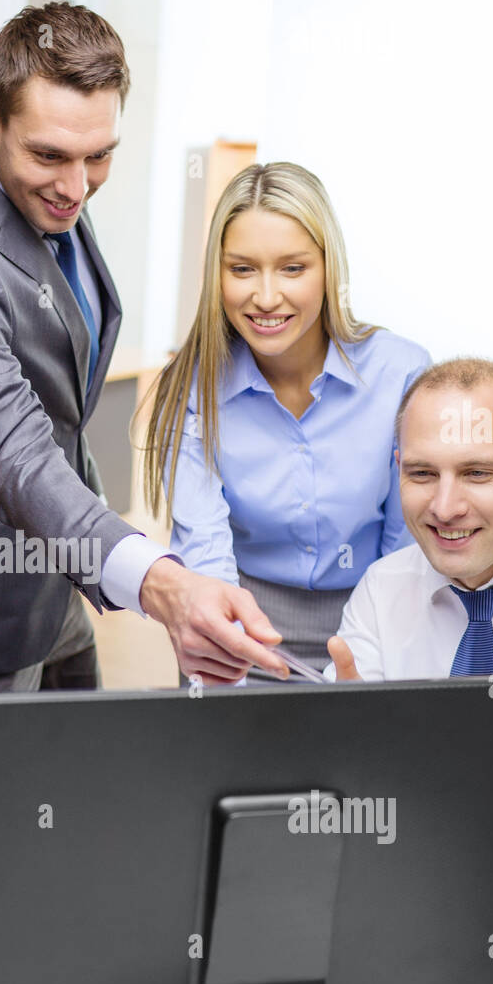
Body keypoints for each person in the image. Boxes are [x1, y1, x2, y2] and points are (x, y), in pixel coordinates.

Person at [0, 1, 288, 733]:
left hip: (63, 584)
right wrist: (161, 585)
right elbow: (13, 450)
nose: (76, 187)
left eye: (98, 156)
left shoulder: (56, 200)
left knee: (74, 781)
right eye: (49, 156)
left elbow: (62, 411)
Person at [144, 162, 431, 672]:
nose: (266, 296)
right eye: (242, 269)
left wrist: (370, 670)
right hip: (236, 627)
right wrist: (231, 667)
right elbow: (206, 553)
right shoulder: (191, 387)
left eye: (293, 268)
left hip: (376, 627)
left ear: (329, 268)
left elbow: (404, 553)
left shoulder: (401, 374)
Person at [326, 358, 493, 681]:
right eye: (422, 473)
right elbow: (352, 706)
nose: (445, 509)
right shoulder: (382, 589)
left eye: (477, 473)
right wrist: (347, 711)